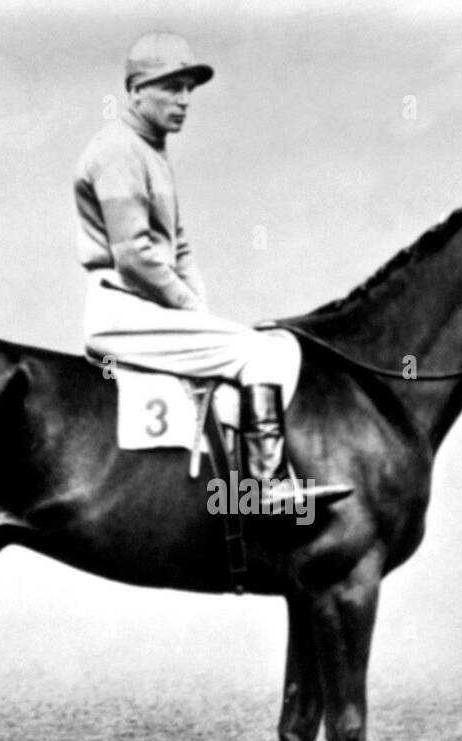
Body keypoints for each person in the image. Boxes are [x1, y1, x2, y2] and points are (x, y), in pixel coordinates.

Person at [73, 31, 351, 511]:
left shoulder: (152, 151)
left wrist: (197, 306)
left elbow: (178, 249)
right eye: (171, 88)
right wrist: (187, 306)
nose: (184, 101)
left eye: (189, 90)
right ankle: (267, 487)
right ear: (136, 90)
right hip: (123, 311)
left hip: (148, 307)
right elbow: (135, 255)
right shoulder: (117, 150)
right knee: (257, 352)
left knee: (250, 343)